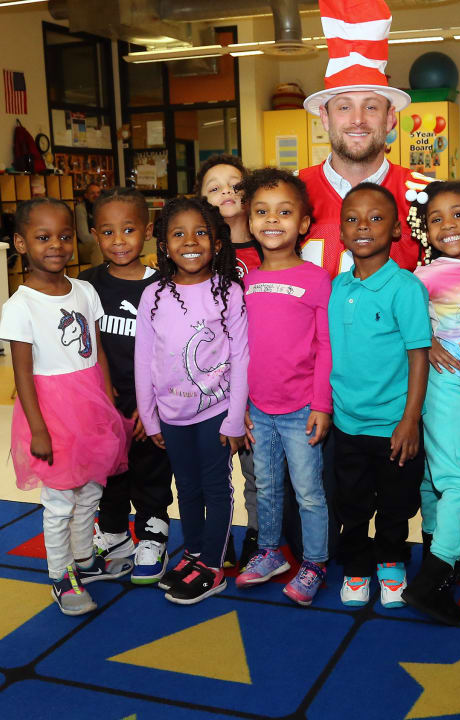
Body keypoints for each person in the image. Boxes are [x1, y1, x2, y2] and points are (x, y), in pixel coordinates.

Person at [0, 197, 129, 616]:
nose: (55, 245)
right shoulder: (19, 306)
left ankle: (84, 559)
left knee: (91, 489)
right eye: (42, 237)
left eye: (64, 236)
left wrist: (107, 395)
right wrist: (38, 429)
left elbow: (97, 350)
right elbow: (22, 375)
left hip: (90, 404)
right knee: (59, 499)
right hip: (51, 411)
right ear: (21, 243)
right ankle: (60, 574)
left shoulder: (85, 291)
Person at [135, 196, 250, 605]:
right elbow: (144, 359)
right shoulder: (153, 296)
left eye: (201, 232)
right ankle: (196, 553)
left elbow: (241, 357)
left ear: (217, 243)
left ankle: (213, 568)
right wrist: (149, 418)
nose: (190, 241)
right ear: (164, 245)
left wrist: (235, 420)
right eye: (178, 233)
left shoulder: (228, 292)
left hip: (214, 414)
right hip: (170, 415)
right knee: (186, 488)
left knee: (215, 489)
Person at [232, 168, 333, 606]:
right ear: (250, 220)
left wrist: (321, 404)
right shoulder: (246, 283)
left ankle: (314, 562)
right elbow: (240, 351)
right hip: (259, 410)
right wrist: (243, 408)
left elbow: (326, 346)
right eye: (262, 212)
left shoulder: (316, 279)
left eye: (285, 212)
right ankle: (270, 552)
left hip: (301, 410)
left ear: (304, 223)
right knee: (268, 487)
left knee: (309, 492)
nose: (272, 220)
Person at [329, 182, 431, 608]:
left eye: (375, 218)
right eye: (352, 219)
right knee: (351, 504)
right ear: (340, 232)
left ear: (395, 231)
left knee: (396, 504)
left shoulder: (405, 287)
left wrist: (410, 420)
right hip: (346, 423)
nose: (363, 226)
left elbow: (418, 355)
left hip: (394, 425)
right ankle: (356, 565)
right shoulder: (336, 287)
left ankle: (391, 560)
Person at [400, 173, 460, 624]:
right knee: (456, 477)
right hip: (443, 375)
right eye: (436, 219)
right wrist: (427, 340)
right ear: (424, 229)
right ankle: (434, 574)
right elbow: (408, 325)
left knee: (442, 471)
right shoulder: (423, 276)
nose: (449, 225)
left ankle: (445, 555)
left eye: (459, 214)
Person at [79, 188, 175, 586]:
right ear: (93, 234)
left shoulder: (166, 285)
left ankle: (153, 533)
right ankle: (115, 533)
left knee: (150, 473)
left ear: (148, 231)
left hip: (149, 408)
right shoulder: (86, 285)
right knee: (109, 475)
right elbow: (84, 347)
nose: (119, 241)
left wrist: (148, 407)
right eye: (107, 232)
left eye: (129, 229)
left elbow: (171, 352)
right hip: (104, 404)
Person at [299, 0, 420, 276]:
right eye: (344, 107)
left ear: (390, 118)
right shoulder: (289, 194)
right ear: (325, 117)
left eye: (370, 106)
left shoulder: (424, 197)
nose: (357, 119)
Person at [196, 153, 262, 569]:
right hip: (213, 385)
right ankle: (218, 538)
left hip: (261, 382)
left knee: (260, 474)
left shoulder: (270, 242)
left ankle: (259, 535)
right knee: (212, 473)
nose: (227, 192)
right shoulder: (199, 253)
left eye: (235, 184)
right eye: (214, 186)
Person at [75, 181, 104, 266]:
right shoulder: (80, 209)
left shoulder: (102, 209)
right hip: (82, 246)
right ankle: (98, 278)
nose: (96, 196)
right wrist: (103, 240)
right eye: (92, 193)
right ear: (86, 195)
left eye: (98, 193)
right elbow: (84, 236)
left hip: (101, 242)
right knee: (98, 247)